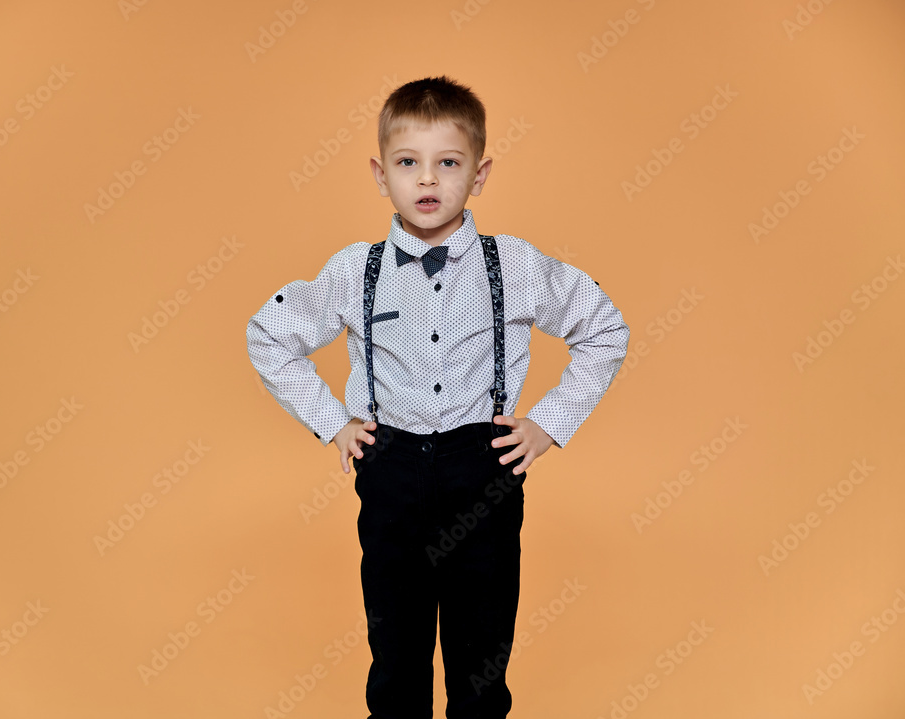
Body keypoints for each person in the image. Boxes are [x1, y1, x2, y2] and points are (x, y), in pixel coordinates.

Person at [247, 75, 630, 719]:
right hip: (391, 470)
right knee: (396, 652)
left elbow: (605, 330)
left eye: (448, 164)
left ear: (478, 175)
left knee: (480, 655)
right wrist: (334, 423)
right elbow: (269, 335)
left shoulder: (514, 264)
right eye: (407, 164)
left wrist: (546, 424)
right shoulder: (353, 270)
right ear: (380, 174)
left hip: (482, 470)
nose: (428, 181)